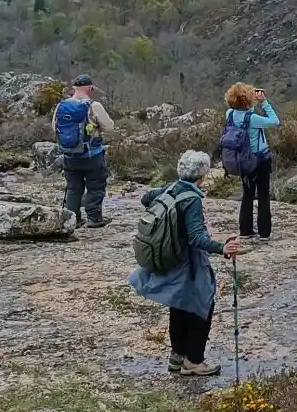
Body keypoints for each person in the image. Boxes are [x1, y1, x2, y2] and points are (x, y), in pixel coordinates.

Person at [130, 150, 244, 378]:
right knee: (202, 306)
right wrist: (222, 247)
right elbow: (195, 238)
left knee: (179, 305)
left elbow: (146, 199)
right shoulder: (191, 199)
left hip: (172, 257)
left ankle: (177, 358)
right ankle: (194, 361)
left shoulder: (173, 188)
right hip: (188, 262)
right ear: (202, 175)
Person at [53, 73, 115, 228]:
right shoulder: (93, 106)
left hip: (69, 155)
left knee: (73, 188)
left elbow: (54, 127)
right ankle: (94, 218)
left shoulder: (61, 106)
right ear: (90, 88)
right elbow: (109, 127)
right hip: (91, 154)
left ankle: (72, 219)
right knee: (96, 185)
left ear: (74, 87)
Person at [223, 83, 281, 240]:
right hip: (260, 159)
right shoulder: (253, 119)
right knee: (263, 195)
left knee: (247, 193)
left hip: (243, 161)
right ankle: (264, 232)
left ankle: (245, 230)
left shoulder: (229, 114)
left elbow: (240, 111)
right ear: (247, 100)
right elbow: (275, 121)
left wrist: (247, 102)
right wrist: (264, 102)